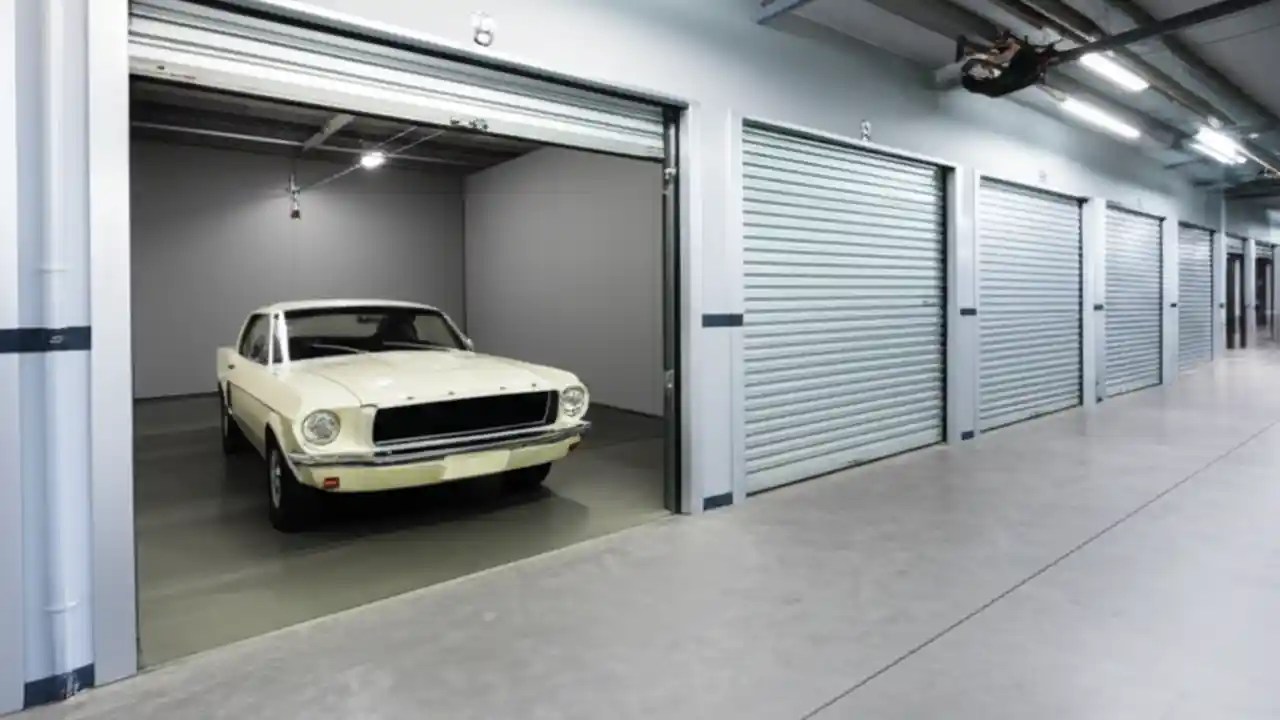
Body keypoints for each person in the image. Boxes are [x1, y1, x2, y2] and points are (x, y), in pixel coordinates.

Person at [957, 33, 1055, 98]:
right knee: (997, 56)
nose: (978, 76)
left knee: (995, 57)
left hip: (1029, 70)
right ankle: (1011, 42)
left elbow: (1007, 73)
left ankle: (1043, 52)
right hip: (1025, 64)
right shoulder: (994, 86)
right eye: (975, 77)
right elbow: (1008, 72)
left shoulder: (992, 89)